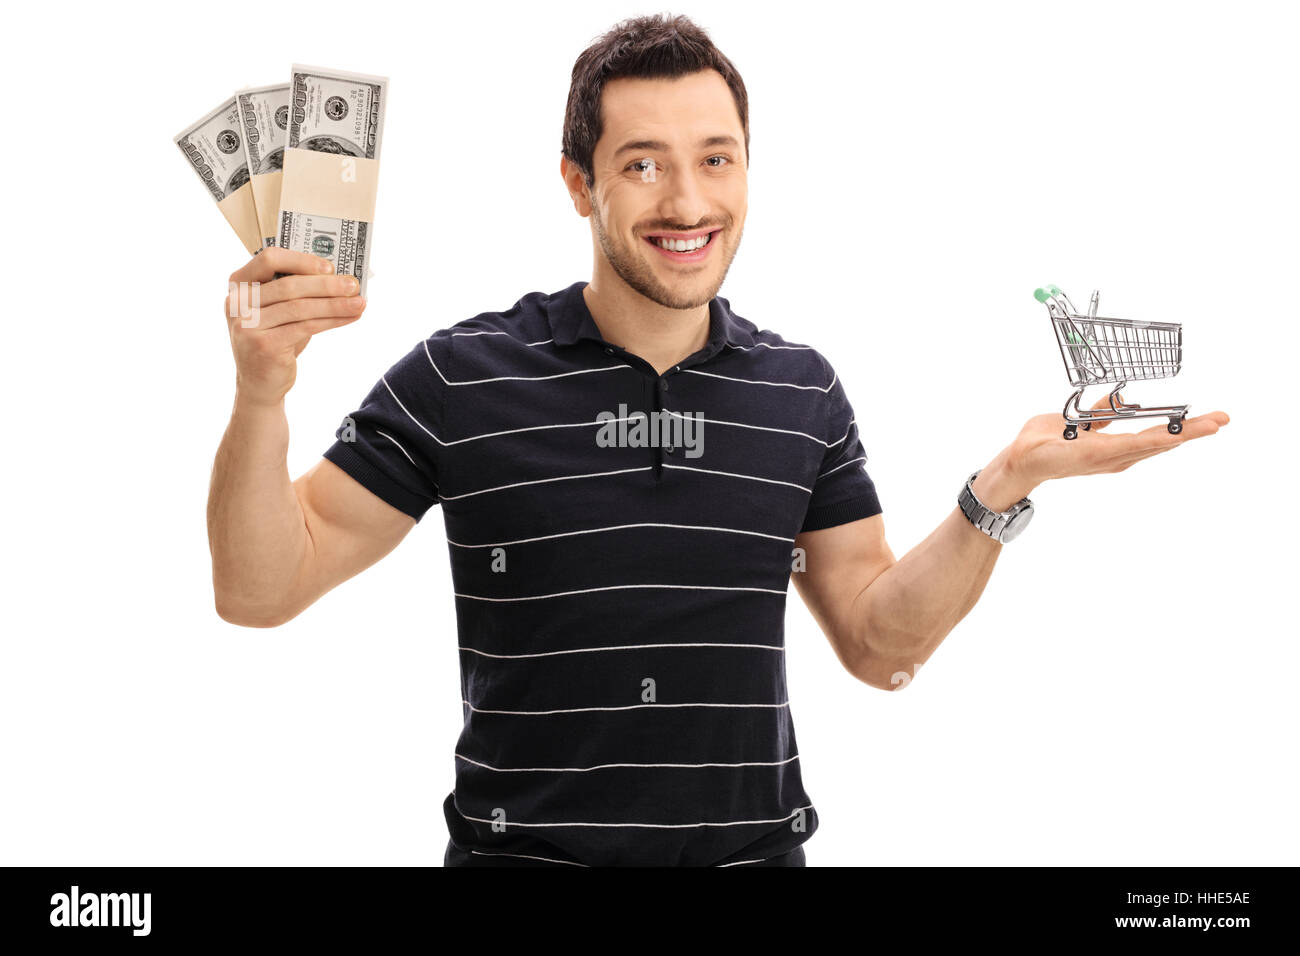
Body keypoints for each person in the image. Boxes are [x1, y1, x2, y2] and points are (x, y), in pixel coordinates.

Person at [207, 14, 1230, 867]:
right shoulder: (461, 376)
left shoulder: (801, 391)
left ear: (748, 169)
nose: (687, 202)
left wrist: (1001, 483)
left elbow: (880, 647)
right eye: (641, 164)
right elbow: (260, 588)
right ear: (577, 182)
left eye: (715, 159)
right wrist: (262, 392)